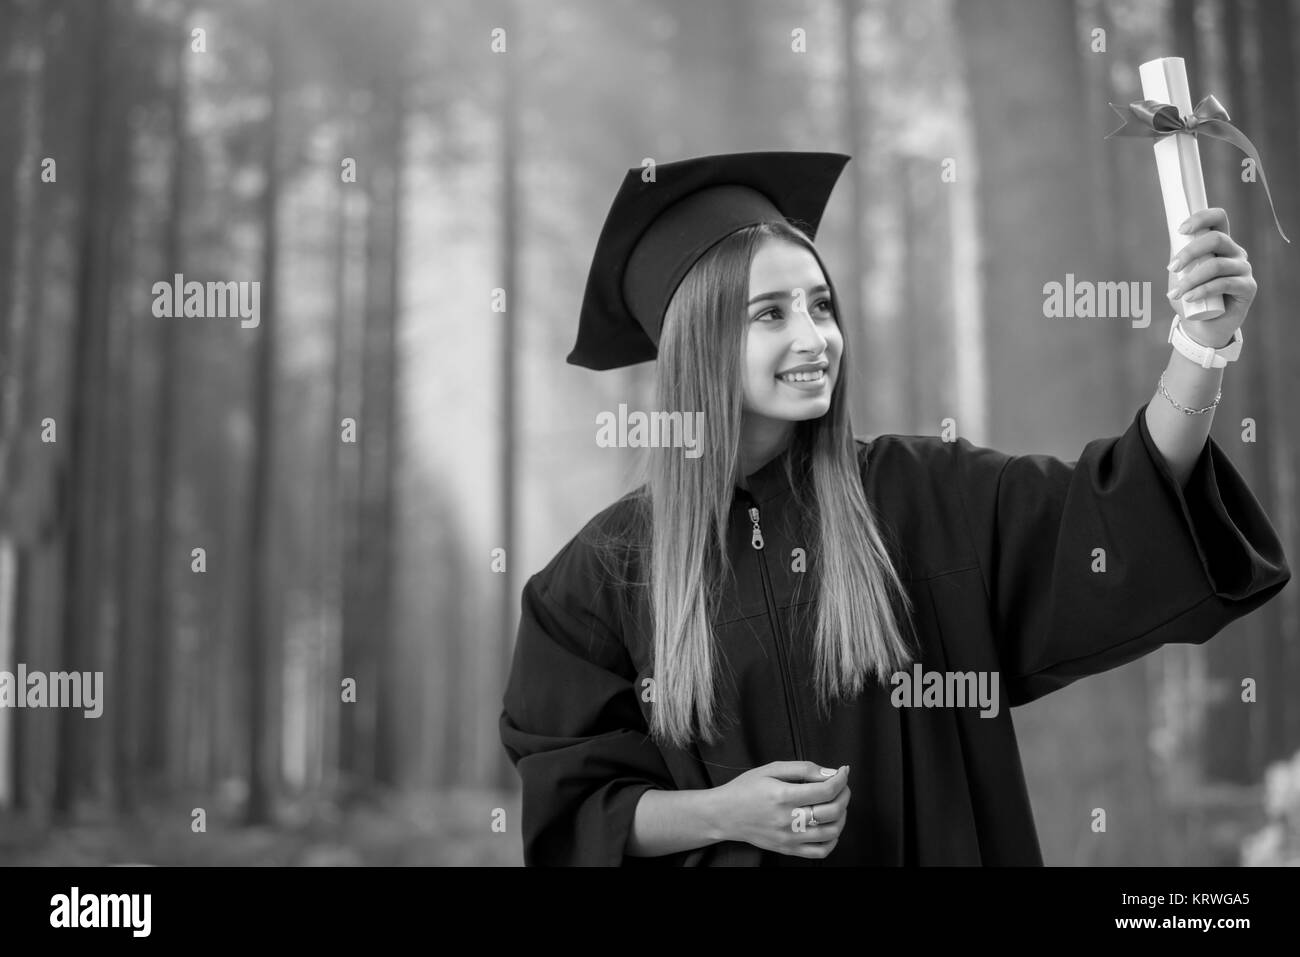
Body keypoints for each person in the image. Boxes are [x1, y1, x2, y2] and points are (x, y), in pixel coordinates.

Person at [498, 151, 1291, 866]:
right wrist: (719, 814)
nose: (816, 338)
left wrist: (1198, 348)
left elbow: (1111, 512)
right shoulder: (602, 580)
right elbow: (575, 814)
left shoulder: (922, 497)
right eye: (770, 314)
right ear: (697, 346)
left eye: (820, 305)